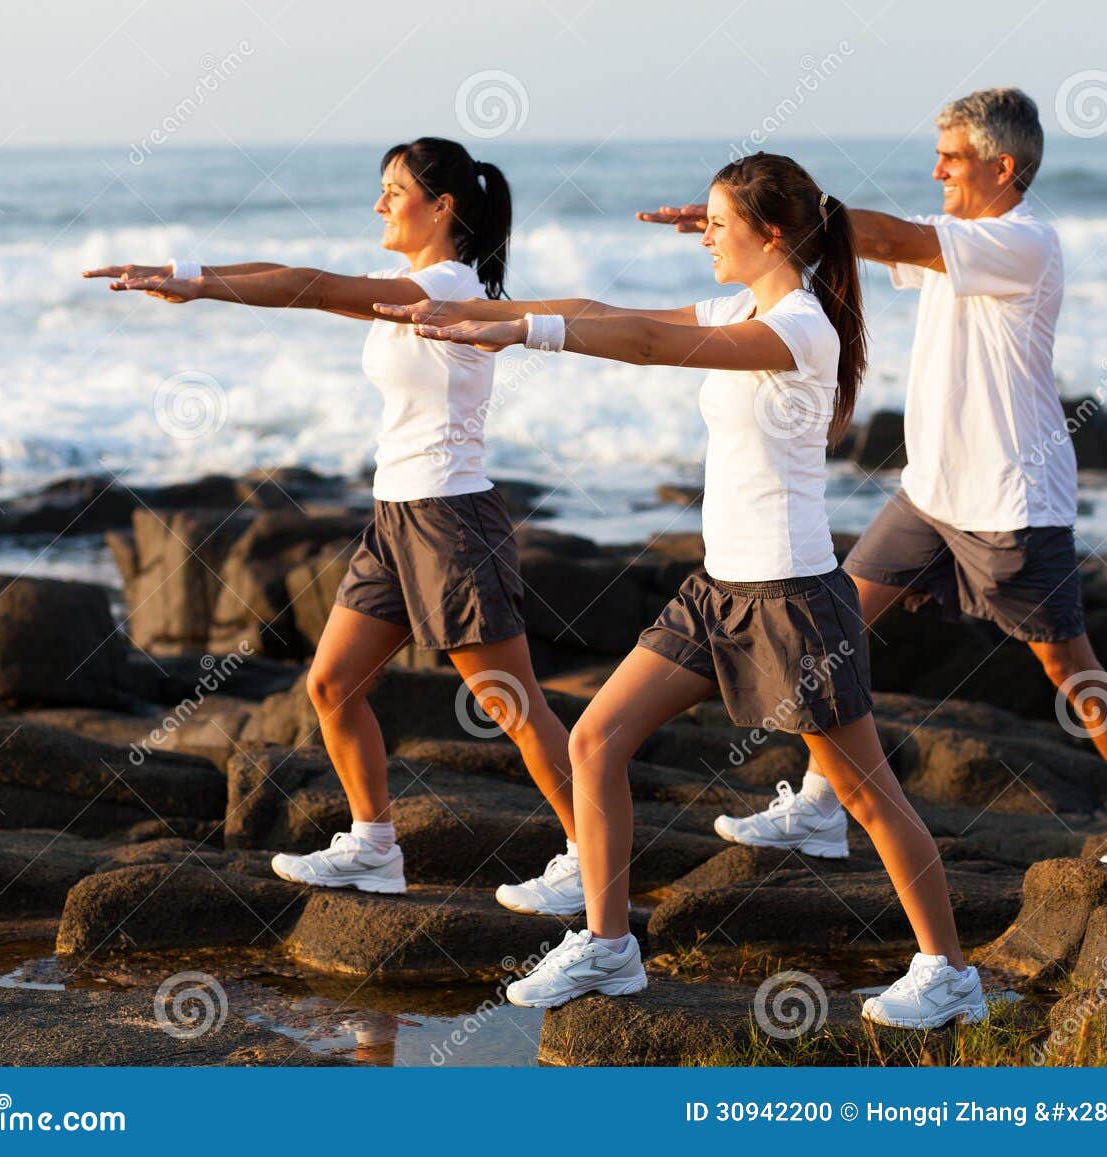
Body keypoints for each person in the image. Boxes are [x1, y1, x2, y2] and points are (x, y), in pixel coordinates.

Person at [374, 152, 988, 1030]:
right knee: (594, 740)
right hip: (716, 592)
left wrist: (525, 335)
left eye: (718, 224)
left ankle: (948, 971)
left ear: (769, 234)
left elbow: (657, 348)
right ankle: (610, 945)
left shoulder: (803, 327)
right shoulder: (743, 302)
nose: (705, 237)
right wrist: (487, 312)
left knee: (864, 795)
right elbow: (611, 314)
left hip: (791, 595)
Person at [640, 90, 1107, 878]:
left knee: (1067, 665)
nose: (936, 168)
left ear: (1003, 167)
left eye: (953, 156)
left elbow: (893, 235)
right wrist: (748, 229)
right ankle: (820, 807)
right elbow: (868, 246)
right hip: (927, 492)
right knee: (836, 632)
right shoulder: (959, 239)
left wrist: (775, 216)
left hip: (1009, 499)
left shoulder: (1021, 242)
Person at [84, 137, 592, 916]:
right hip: (397, 517)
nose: (380, 203)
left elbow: (313, 285)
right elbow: (306, 277)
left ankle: (589, 859)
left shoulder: (441, 289)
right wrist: (194, 279)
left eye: (394, 190)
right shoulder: (417, 283)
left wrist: (197, 284)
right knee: (329, 684)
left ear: (442, 205)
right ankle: (374, 848)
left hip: (452, 519)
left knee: (509, 701)